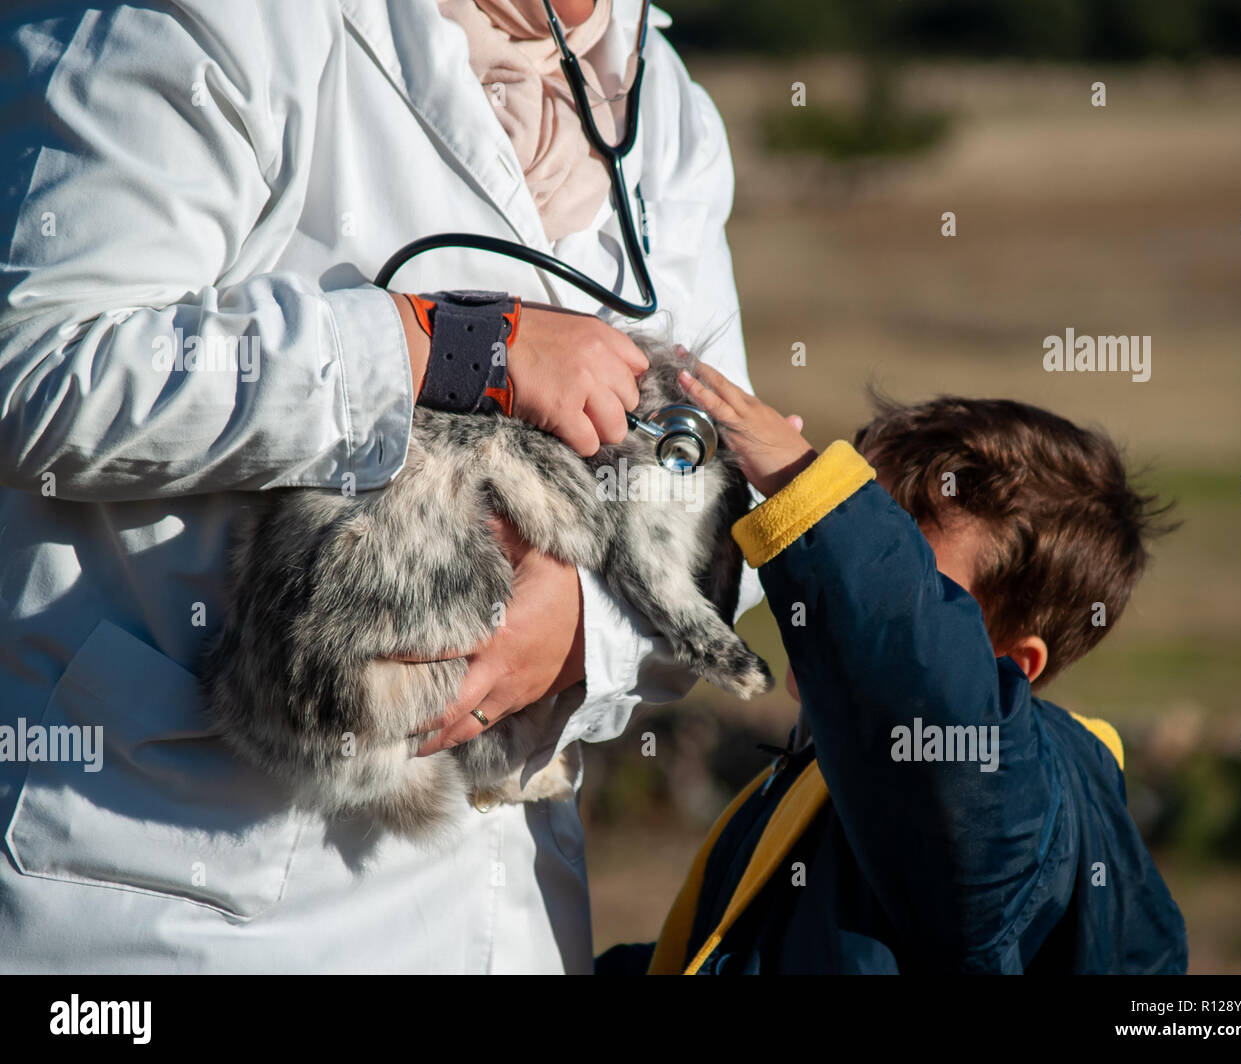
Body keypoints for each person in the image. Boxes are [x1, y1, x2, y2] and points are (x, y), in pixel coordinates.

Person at [0, 0, 757, 973]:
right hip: (173, 898)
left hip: (504, 900)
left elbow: (715, 477)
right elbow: (46, 369)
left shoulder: (660, 99)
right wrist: (456, 348)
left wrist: (581, 625)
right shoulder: (210, 20)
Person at [607, 361, 1188, 974]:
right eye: (873, 528)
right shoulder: (824, 777)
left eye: (906, 577)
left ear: (1011, 663)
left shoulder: (1018, 808)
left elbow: (926, 695)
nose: (837, 590)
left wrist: (809, 493)